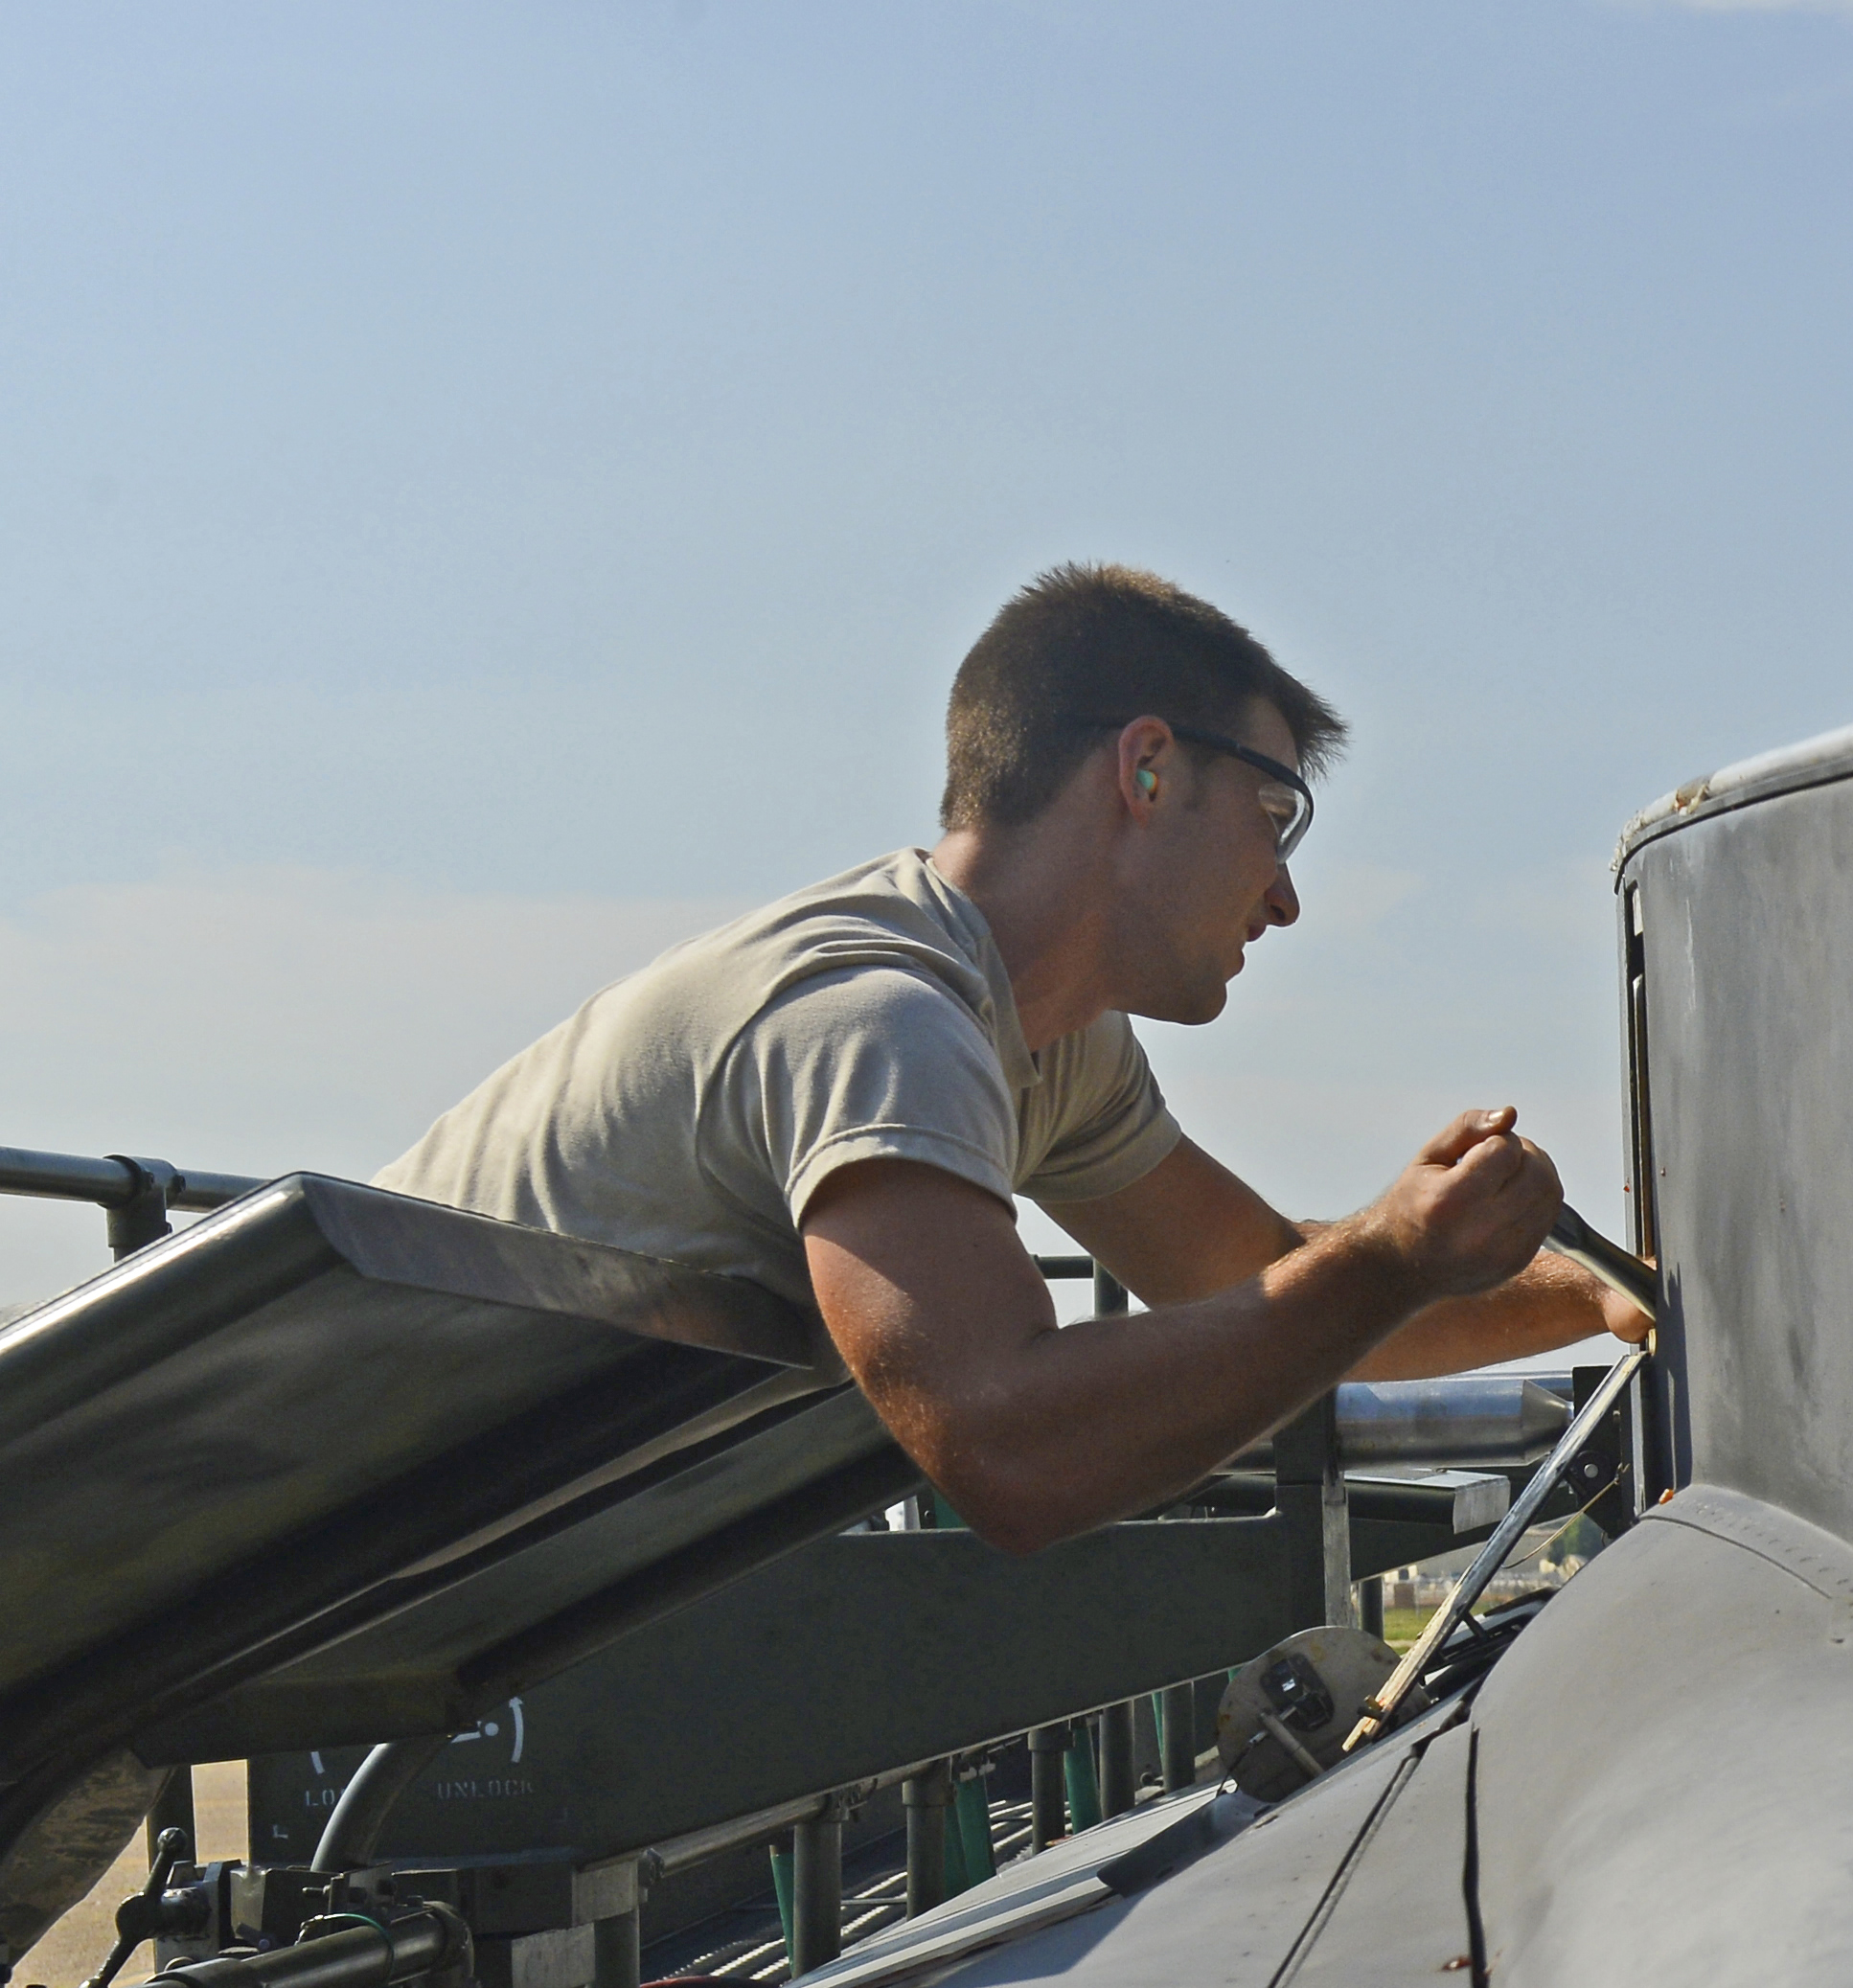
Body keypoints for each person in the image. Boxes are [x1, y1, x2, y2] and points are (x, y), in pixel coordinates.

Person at [380, 562, 1646, 1554]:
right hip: (317, 1538)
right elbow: (1012, 1452)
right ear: (1146, 770)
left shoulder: (1056, 1046)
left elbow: (1257, 1283)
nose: (1285, 897)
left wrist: (1590, 1291)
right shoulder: (881, 1017)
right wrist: (1388, 1257)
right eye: (1275, 818)